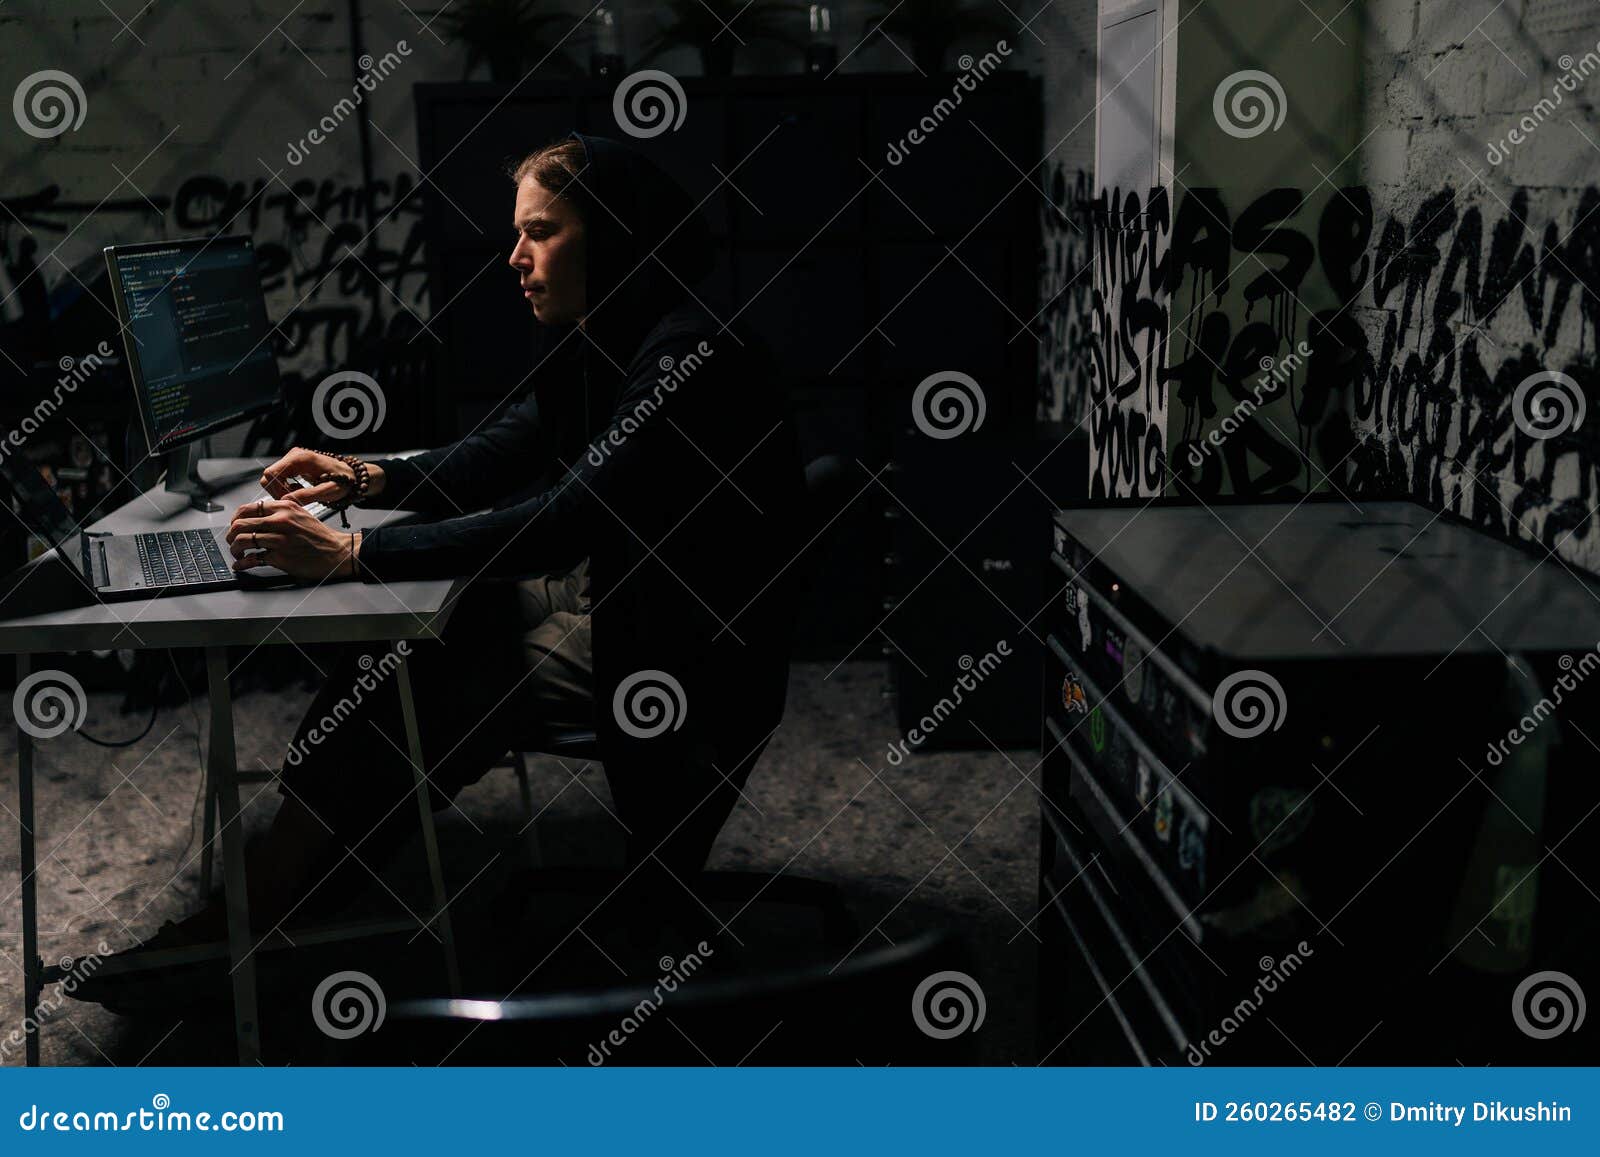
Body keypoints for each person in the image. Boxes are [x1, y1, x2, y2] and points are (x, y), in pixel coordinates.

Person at [102, 131, 805, 977]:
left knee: (429, 659)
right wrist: (360, 476)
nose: (515, 256)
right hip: (625, 592)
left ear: (614, 234)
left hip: (680, 650)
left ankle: (256, 912)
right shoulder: (614, 331)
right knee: (423, 617)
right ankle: (291, 877)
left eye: (540, 231)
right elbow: (495, 452)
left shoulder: (685, 358)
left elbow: (562, 520)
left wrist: (349, 554)